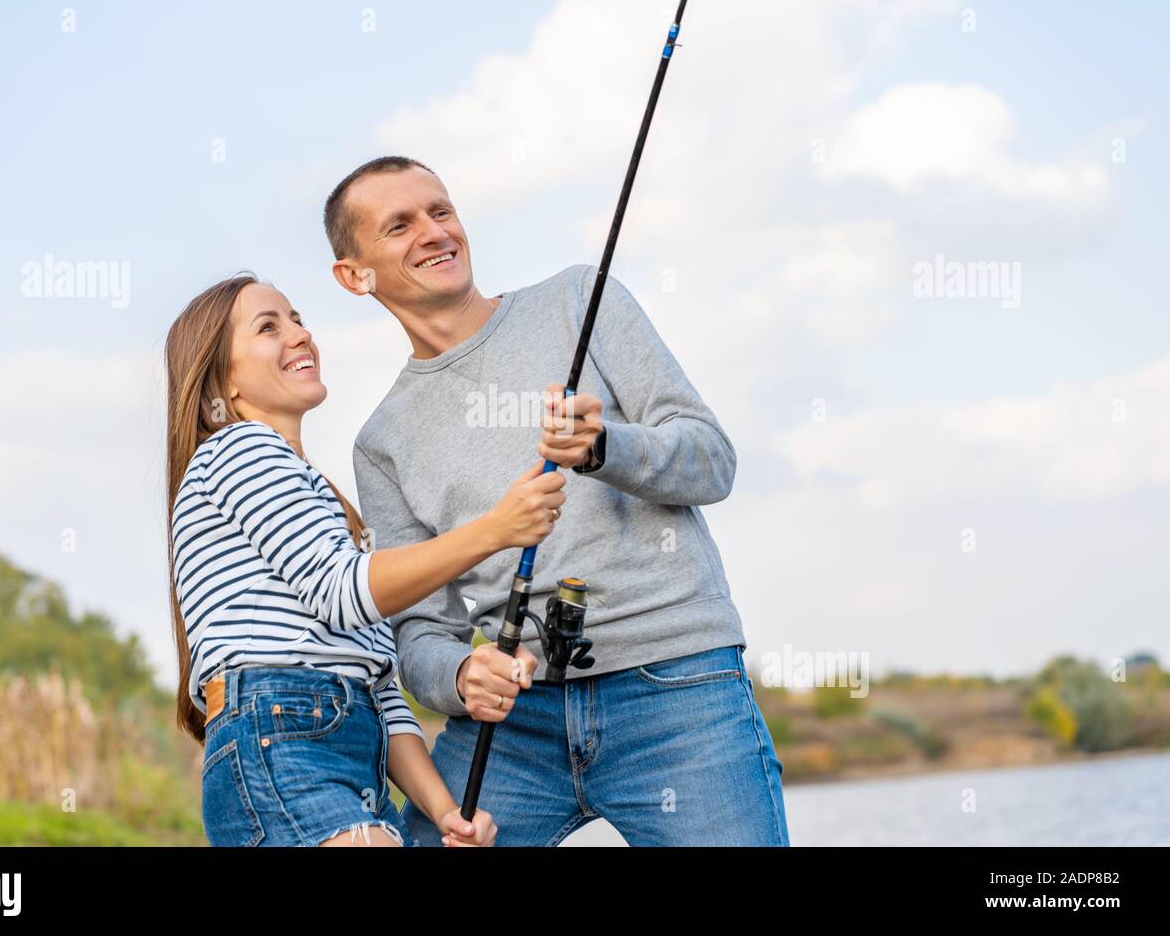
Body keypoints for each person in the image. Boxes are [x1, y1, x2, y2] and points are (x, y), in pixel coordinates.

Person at [330, 156, 790, 846]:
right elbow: (418, 632)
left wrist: (606, 448)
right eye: (399, 226)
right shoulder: (381, 441)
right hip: (515, 726)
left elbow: (711, 460)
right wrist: (460, 674)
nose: (433, 232)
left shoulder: (581, 298)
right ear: (354, 275)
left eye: (441, 211)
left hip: (677, 690)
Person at [163, 273, 567, 846]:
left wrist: (444, 810)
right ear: (219, 382)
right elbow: (340, 590)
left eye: (297, 318)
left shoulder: (324, 502)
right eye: (268, 327)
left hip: (346, 754)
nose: (300, 335)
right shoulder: (238, 449)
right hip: (280, 737)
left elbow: (381, 691)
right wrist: (495, 530)